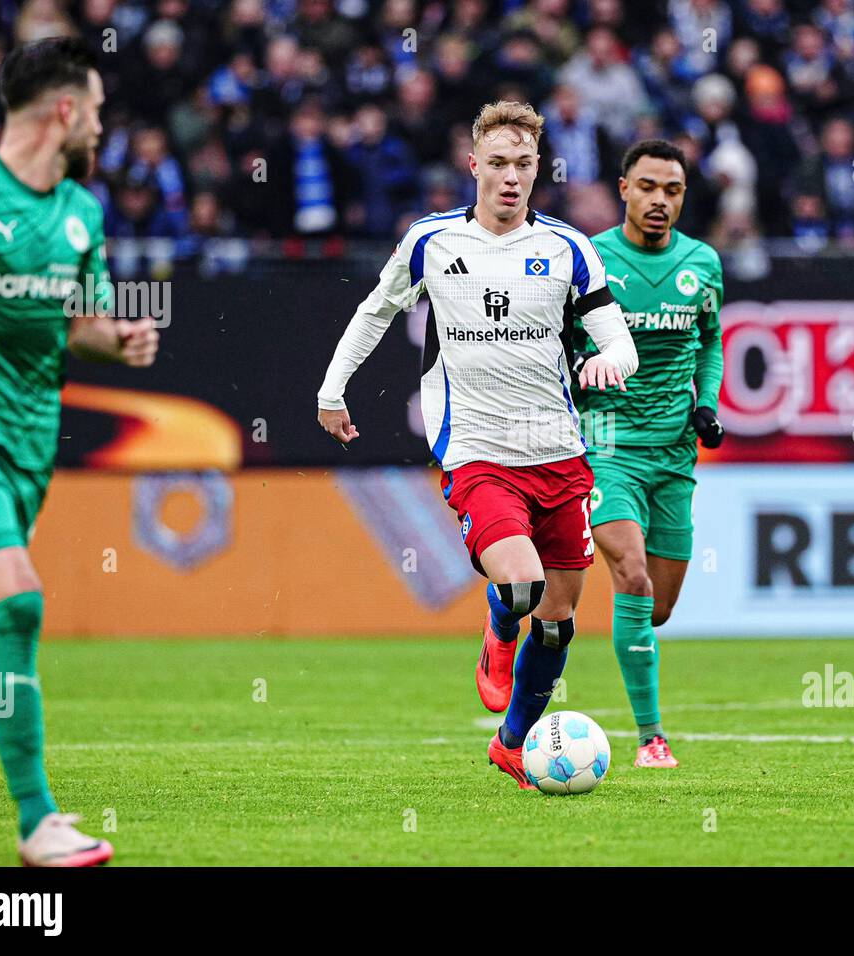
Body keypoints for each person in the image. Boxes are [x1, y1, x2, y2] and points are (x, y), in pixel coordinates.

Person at [316, 101, 638, 789]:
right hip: (479, 452)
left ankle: (512, 743)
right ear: (473, 166)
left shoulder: (567, 248)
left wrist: (613, 360)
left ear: (537, 168)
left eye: (523, 164)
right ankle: (498, 628)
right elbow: (375, 311)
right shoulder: (432, 242)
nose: (511, 177)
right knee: (521, 587)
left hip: (559, 453)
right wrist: (332, 389)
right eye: (498, 163)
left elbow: (618, 337)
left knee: (558, 623)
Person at [0, 38, 160, 865]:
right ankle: (39, 823)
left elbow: (75, 323)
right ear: (64, 111)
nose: (100, 127)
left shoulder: (81, 214)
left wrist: (114, 338)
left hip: (25, 457)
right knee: (16, 603)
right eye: (94, 110)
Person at [572, 138, 724, 768]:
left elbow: (711, 340)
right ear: (624, 188)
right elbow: (563, 346)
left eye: (674, 190)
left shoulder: (704, 264)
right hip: (607, 447)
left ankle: (622, 610)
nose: (660, 200)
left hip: (673, 457)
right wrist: (584, 368)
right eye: (649, 187)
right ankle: (651, 738)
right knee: (631, 570)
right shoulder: (592, 260)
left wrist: (707, 403)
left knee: (656, 607)